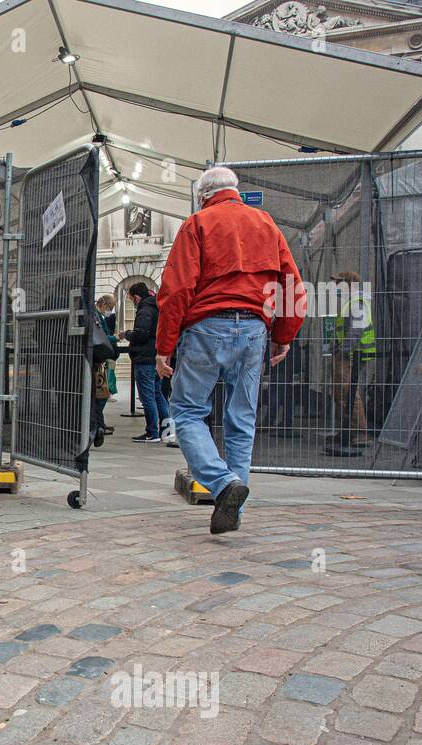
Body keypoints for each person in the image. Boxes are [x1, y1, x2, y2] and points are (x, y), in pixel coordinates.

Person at [156, 165, 306, 534]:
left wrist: (164, 345)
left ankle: (222, 484)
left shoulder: (197, 224)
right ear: (236, 190)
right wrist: (284, 335)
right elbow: (292, 283)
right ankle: (233, 511)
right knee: (242, 419)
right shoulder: (266, 223)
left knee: (188, 411)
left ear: (203, 195)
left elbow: (176, 289)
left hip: (207, 325)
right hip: (255, 327)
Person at [327, 270, 374, 453]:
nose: (336, 287)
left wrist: (344, 350)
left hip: (354, 354)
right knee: (341, 392)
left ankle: (360, 433)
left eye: (339, 283)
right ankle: (346, 431)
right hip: (348, 353)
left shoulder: (357, 302)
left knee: (349, 392)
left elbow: (356, 331)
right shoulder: (350, 303)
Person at [122, 282, 169, 443]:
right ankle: (166, 431)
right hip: (154, 356)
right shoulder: (156, 307)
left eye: (131, 299)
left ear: (136, 297)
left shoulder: (145, 311)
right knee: (158, 394)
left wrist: (127, 334)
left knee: (147, 396)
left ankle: (152, 433)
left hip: (144, 358)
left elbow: (141, 334)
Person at [93, 294, 119, 436]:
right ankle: (98, 424)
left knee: (102, 393)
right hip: (100, 358)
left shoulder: (99, 316)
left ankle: (99, 424)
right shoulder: (96, 316)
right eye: (109, 308)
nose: (109, 311)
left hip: (101, 358)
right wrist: (114, 338)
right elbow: (101, 336)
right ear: (103, 304)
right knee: (101, 393)